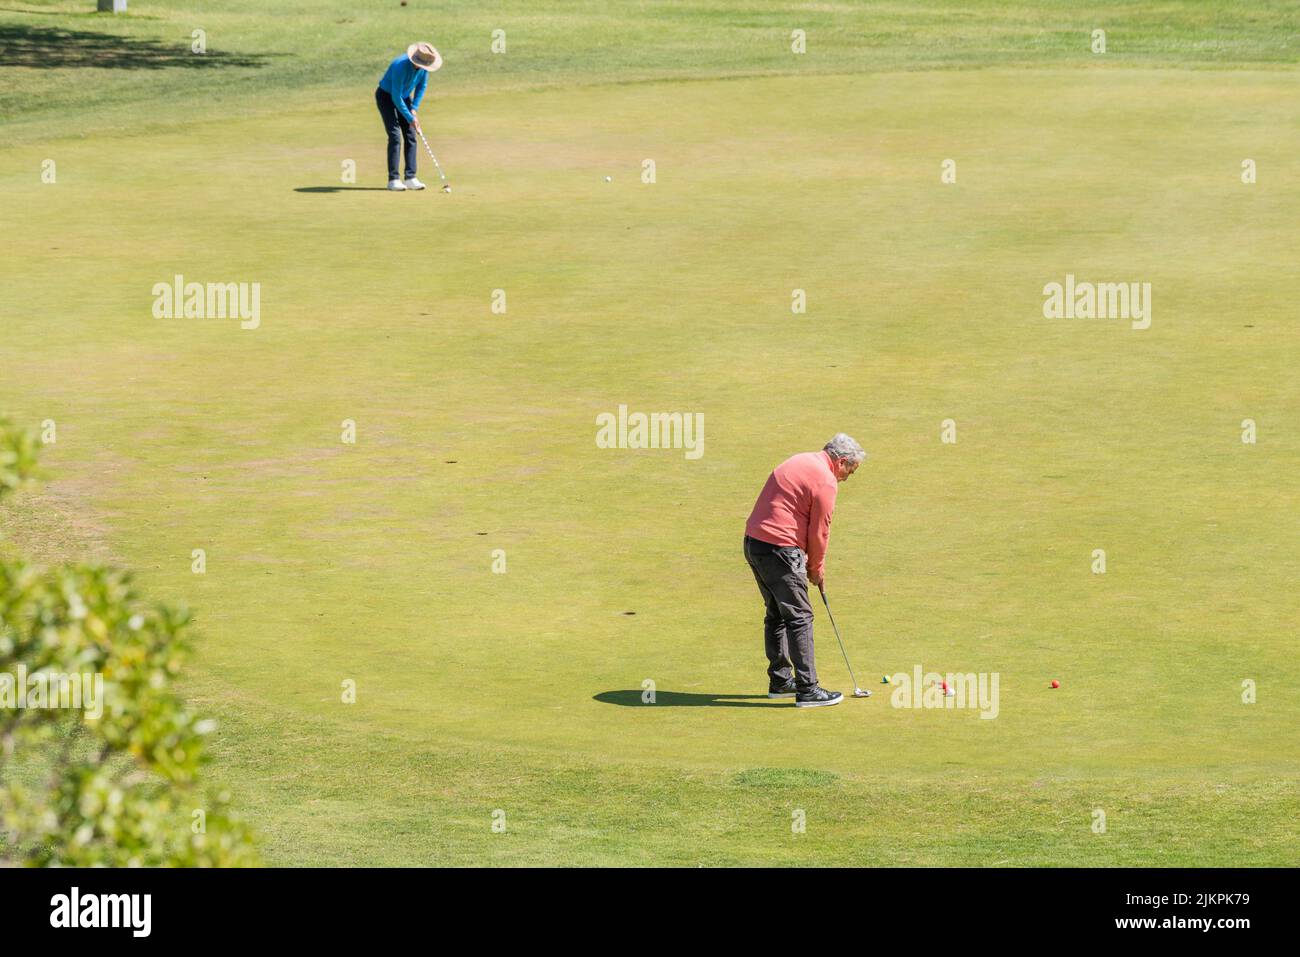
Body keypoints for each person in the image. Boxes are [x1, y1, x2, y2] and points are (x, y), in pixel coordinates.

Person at [743, 434, 866, 708]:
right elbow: (820, 531)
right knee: (800, 616)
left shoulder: (799, 459)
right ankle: (807, 689)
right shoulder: (825, 480)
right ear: (842, 461)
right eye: (850, 471)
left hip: (754, 544)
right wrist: (816, 568)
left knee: (776, 613)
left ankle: (780, 681)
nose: (846, 478)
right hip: (780, 549)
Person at [375, 42, 442, 191]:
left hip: (404, 97)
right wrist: (410, 118)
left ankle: (410, 177)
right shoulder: (400, 66)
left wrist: (414, 109)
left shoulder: (424, 68)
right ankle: (393, 180)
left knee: (411, 134)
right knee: (395, 136)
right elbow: (396, 96)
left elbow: (421, 86)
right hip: (386, 96)